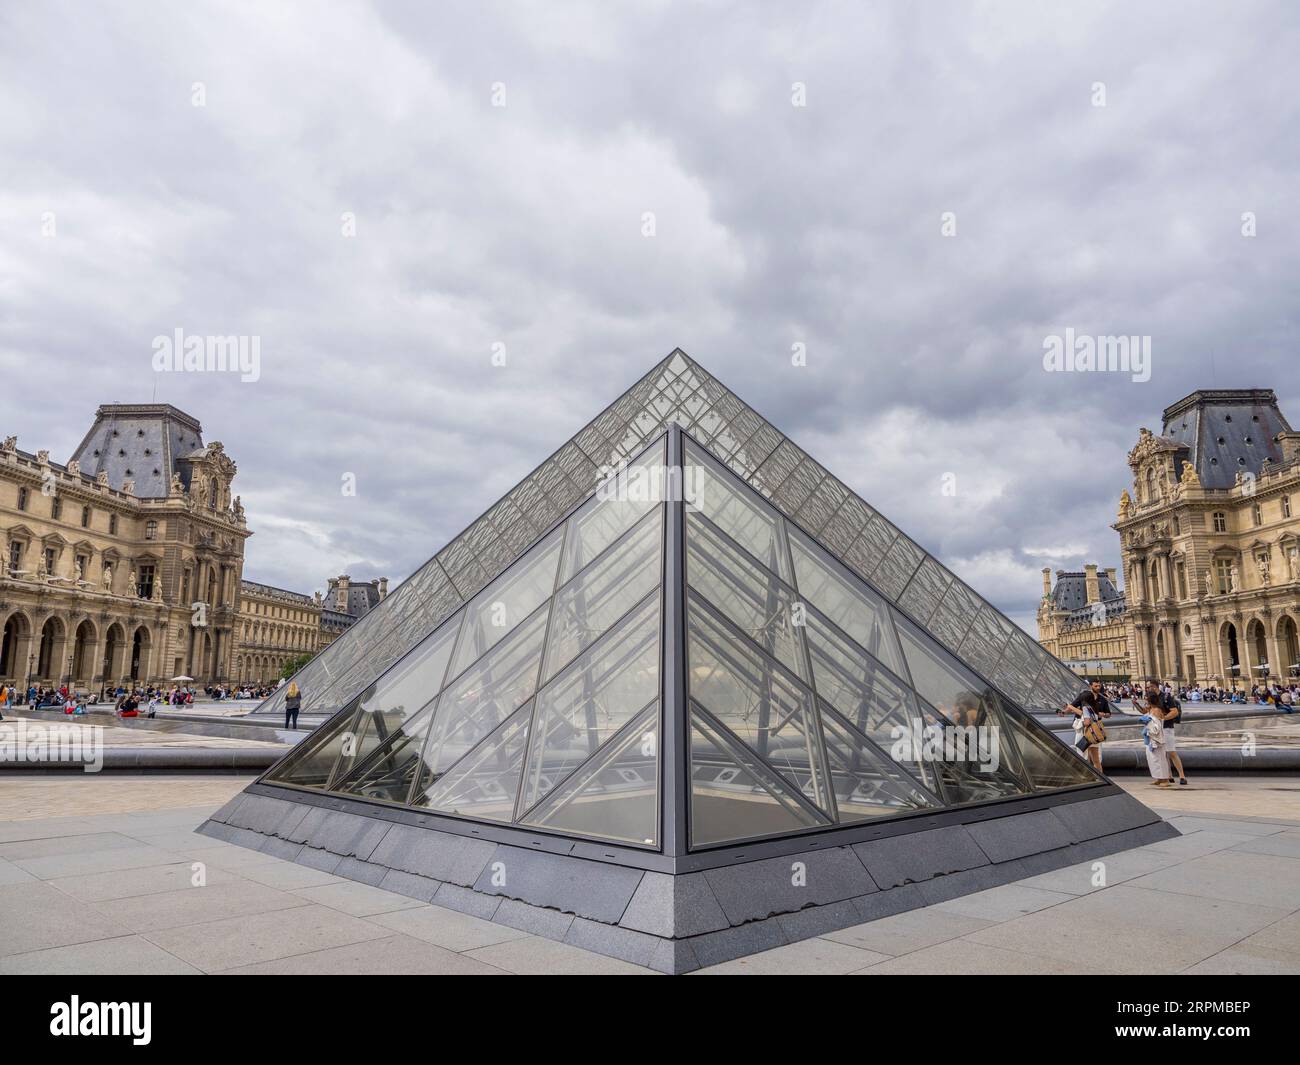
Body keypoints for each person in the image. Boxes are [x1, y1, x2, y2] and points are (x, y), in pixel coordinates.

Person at [1057, 679, 1112, 771]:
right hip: (1095, 733)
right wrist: (1065, 711)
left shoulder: (1089, 706)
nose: (1098, 688)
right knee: (1096, 759)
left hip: (1085, 734)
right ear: (1091, 686)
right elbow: (1077, 708)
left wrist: (1079, 723)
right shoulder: (1094, 706)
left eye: (1099, 686)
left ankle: (1087, 777)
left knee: (1082, 758)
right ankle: (1100, 778)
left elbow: (1085, 719)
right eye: (1096, 686)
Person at [1143, 681, 1187, 786]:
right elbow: (1145, 711)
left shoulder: (1166, 697)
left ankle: (1182, 776)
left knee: (1171, 752)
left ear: (1154, 687)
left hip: (1167, 728)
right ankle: (1166, 777)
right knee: (1162, 754)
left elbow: (1175, 712)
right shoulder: (1152, 698)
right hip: (1157, 730)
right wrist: (1135, 705)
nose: (1147, 689)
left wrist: (1162, 719)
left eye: (1149, 687)